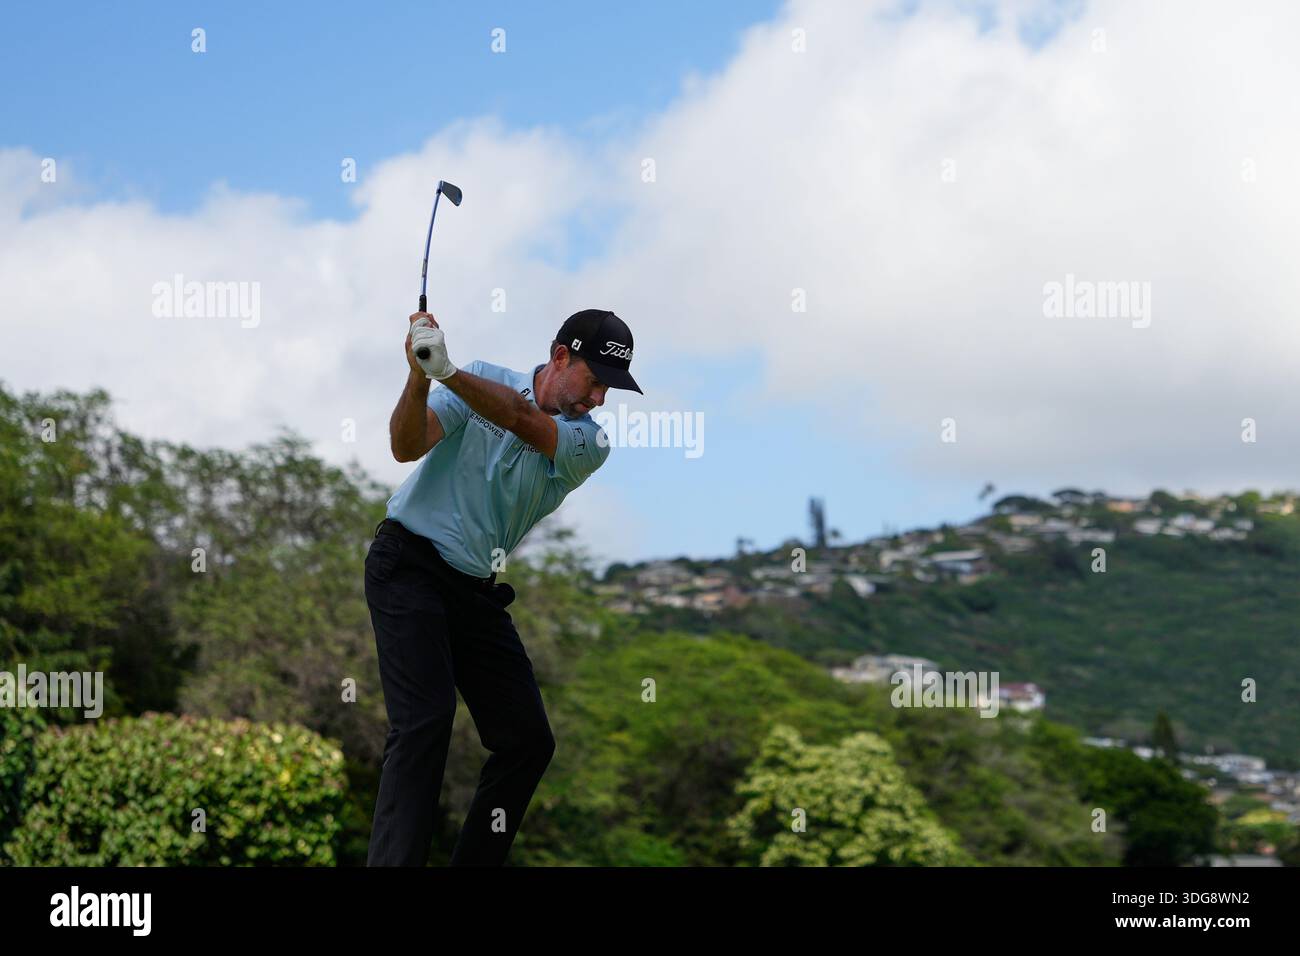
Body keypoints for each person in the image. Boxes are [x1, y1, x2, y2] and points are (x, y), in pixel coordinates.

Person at [365, 308, 643, 866]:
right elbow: (405, 445)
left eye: (610, 390)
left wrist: (446, 372)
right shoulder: (478, 375)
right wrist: (421, 373)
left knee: (527, 742)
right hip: (408, 567)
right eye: (595, 382)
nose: (600, 400)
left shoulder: (589, 443)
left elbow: (519, 417)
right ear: (561, 356)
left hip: (473, 591)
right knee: (425, 719)